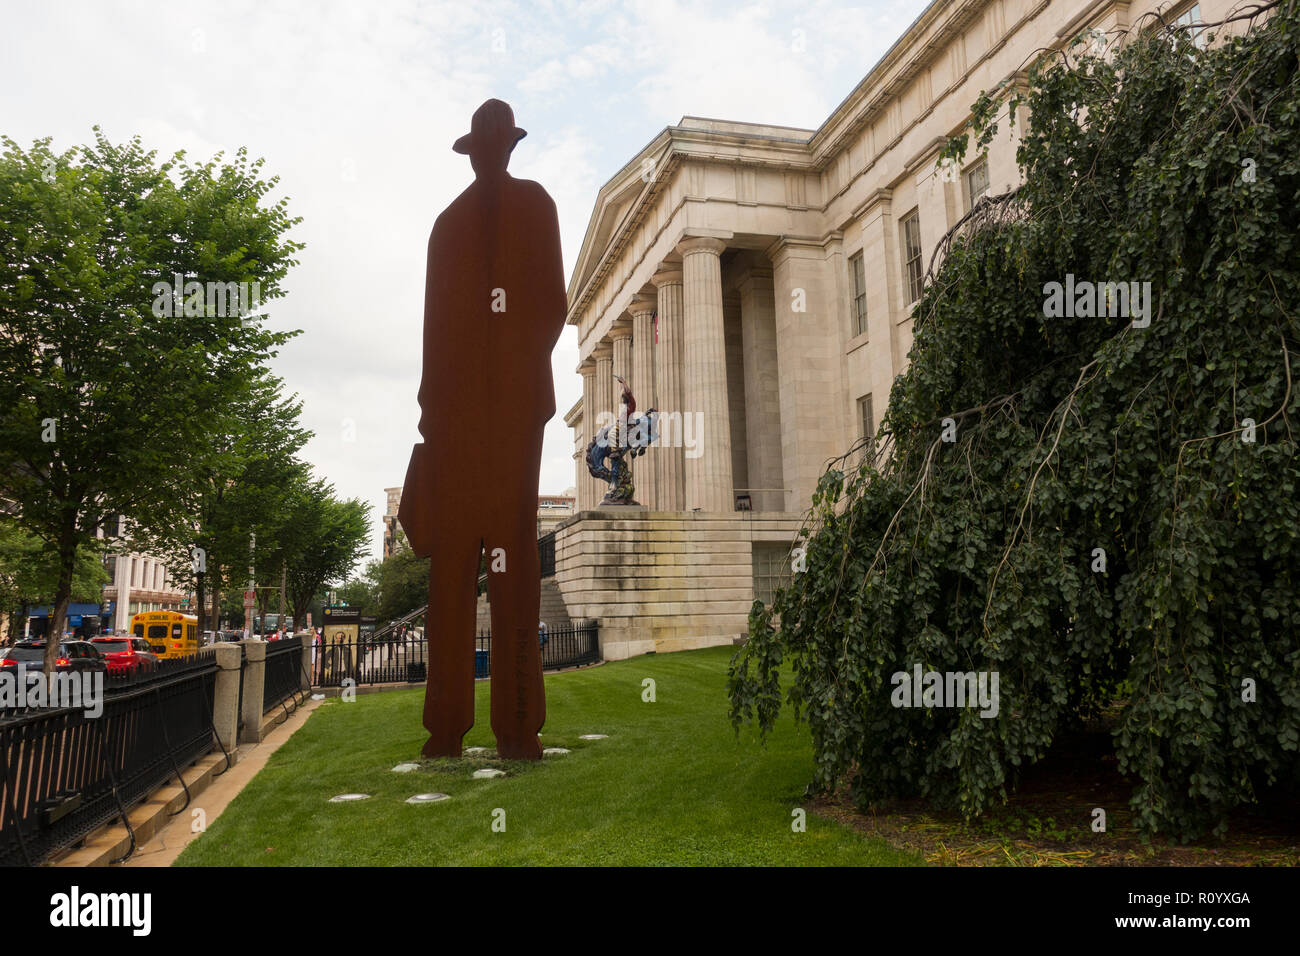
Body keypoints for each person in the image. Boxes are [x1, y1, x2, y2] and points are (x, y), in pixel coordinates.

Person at [400, 99, 566, 761]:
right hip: (499, 415)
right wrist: (512, 378)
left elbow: (436, 336)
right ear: (501, 146)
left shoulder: (453, 223)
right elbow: (549, 308)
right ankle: (514, 727)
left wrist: (437, 409)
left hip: (468, 418)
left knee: (469, 566)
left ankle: (455, 727)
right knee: (508, 563)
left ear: (482, 148)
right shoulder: (524, 207)